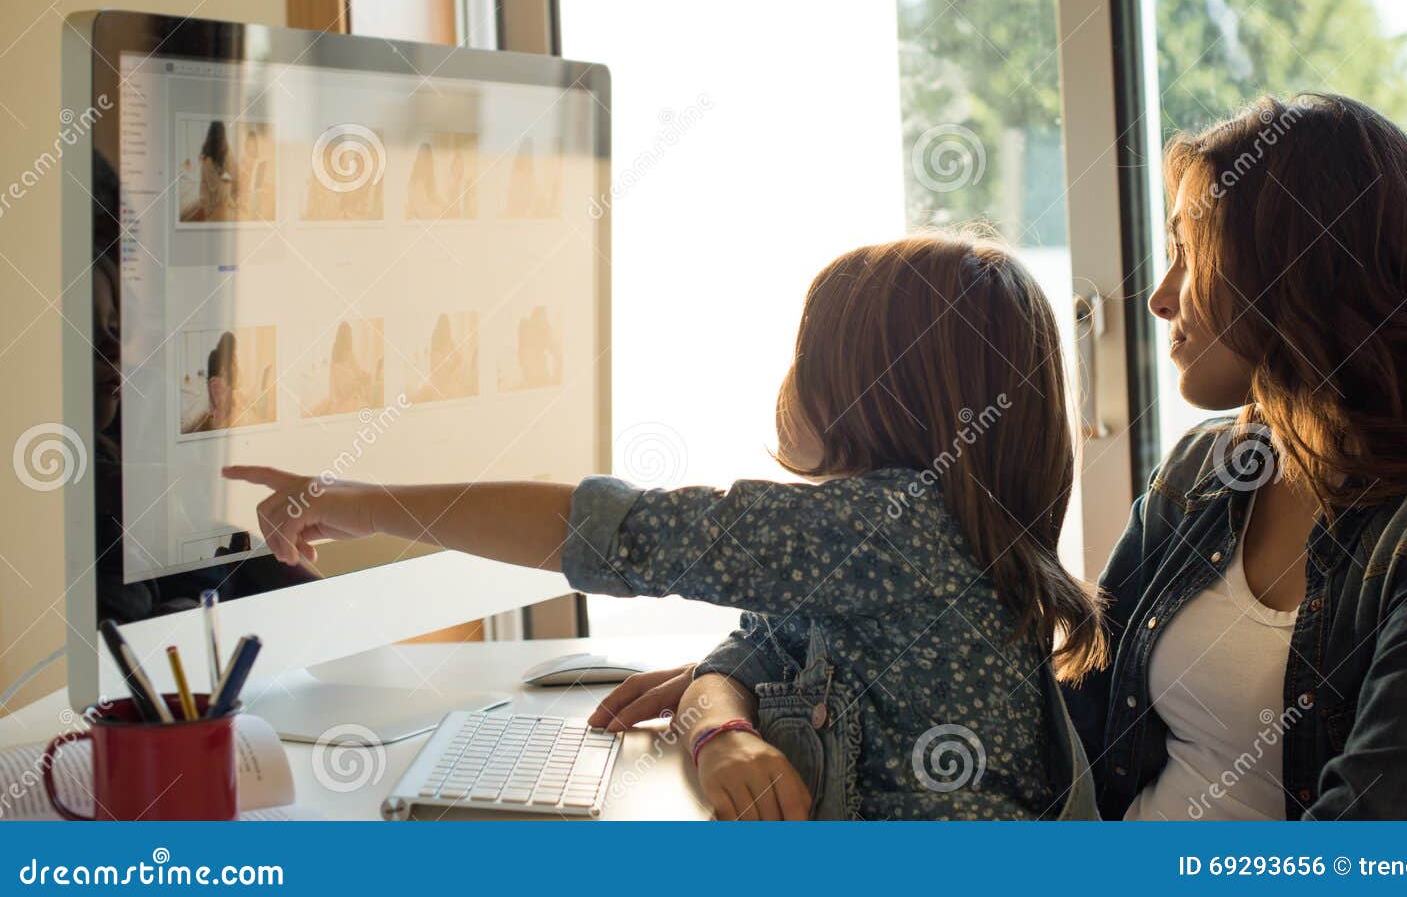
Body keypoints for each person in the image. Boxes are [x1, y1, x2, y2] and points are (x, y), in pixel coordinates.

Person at [224, 234, 1106, 819]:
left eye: (807, 355)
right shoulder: (921, 537)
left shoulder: (883, 533)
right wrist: (719, 716)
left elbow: (612, 531)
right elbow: (757, 649)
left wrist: (361, 501)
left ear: (867, 394)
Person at [1072, 93, 1407, 820]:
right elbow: (1077, 727)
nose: (1161, 298)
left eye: (1188, 254)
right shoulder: (1202, 472)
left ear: (1297, 270)